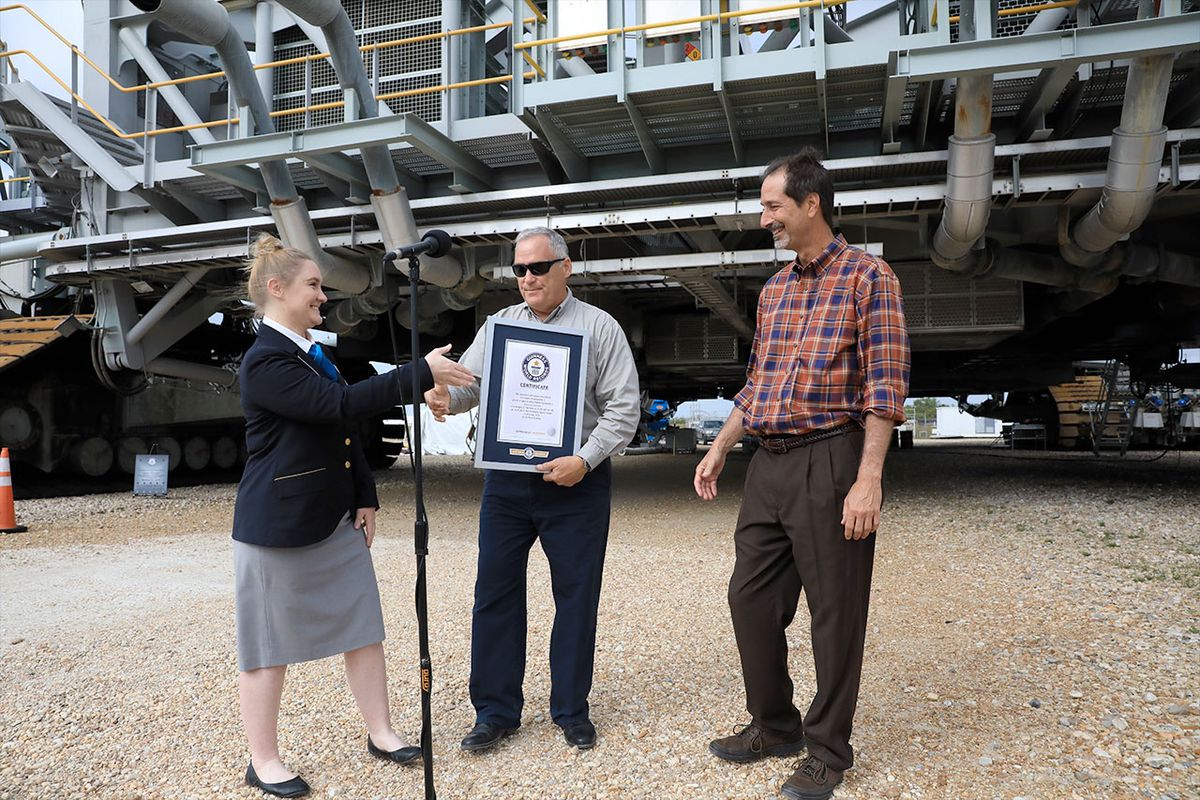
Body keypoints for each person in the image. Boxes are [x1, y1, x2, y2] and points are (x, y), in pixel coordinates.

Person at [694, 149, 910, 800]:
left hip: (831, 457)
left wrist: (868, 479)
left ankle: (827, 752)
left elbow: (886, 387)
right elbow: (759, 382)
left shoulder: (870, 278)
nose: (765, 220)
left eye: (773, 206)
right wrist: (723, 445)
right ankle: (774, 725)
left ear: (811, 203)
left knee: (833, 614)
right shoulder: (775, 289)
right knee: (749, 599)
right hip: (769, 460)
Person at [231, 233, 474, 798]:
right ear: (277, 289)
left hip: (335, 518)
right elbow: (336, 406)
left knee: (364, 631)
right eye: (313, 285)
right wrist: (419, 373)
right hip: (279, 528)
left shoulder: (310, 352)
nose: (322, 295)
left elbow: (342, 433)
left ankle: (382, 732)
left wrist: (365, 495)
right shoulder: (266, 360)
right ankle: (262, 760)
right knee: (267, 648)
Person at [424, 226, 640, 753]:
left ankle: (570, 709)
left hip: (576, 482)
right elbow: (469, 386)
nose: (527, 278)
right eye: (519, 269)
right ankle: (495, 712)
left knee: (576, 597)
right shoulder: (499, 326)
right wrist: (444, 400)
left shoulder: (600, 328)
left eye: (538, 267)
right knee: (494, 594)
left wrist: (585, 460)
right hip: (507, 483)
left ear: (565, 267)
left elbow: (624, 409)